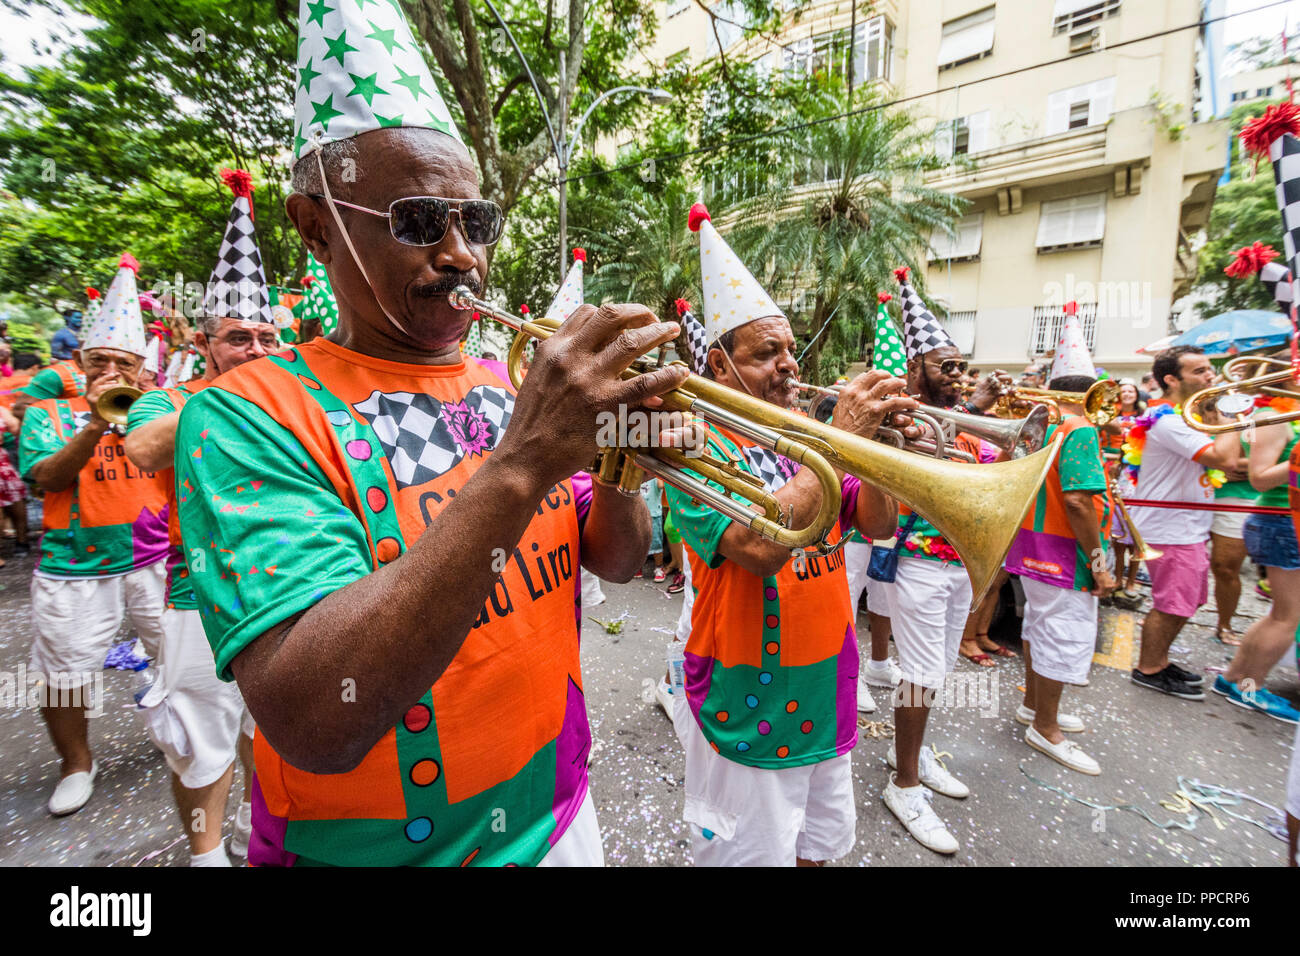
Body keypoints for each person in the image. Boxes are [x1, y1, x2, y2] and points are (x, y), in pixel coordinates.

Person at [175, 0, 691, 866]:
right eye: (419, 221)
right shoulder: (239, 414)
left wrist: (625, 470)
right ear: (315, 227)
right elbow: (315, 720)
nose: (462, 255)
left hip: (564, 816)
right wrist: (524, 460)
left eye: (475, 223)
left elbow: (612, 561)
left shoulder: (505, 384)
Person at [664, 203, 912, 867]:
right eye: (766, 352)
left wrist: (877, 453)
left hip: (826, 691)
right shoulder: (689, 447)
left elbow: (880, 523)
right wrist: (844, 444)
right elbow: (759, 547)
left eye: (790, 351)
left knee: (819, 851)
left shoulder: (810, 440)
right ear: (719, 365)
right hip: (746, 707)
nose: (788, 366)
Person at [122, 169, 276, 865]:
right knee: (197, 738)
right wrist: (229, 398)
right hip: (197, 597)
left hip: (284, 588)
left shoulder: (291, 391)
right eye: (239, 337)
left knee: (269, 731)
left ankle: (262, 833)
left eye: (269, 337)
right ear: (206, 342)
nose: (257, 350)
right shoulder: (171, 399)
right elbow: (140, 446)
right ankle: (207, 854)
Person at [19, 254, 169, 816]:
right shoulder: (49, 415)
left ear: (141, 370)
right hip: (74, 568)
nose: (111, 370)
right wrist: (95, 423)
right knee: (65, 677)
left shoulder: (158, 409)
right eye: (99, 359)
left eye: (123, 362)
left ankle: (174, 729)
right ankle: (76, 763)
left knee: (175, 658)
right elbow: (47, 478)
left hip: (157, 559)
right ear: (80, 361)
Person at [879, 267, 1012, 855]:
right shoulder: (903, 416)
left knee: (936, 673)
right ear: (917, 370)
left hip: (960, 562)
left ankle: (910, 750)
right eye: (946, 367)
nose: (959, 377)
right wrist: (971, 412)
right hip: (919, 562)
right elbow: (921, 484)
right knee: (921, 674)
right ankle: (903, 784)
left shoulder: (964, 423)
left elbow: (989, 477)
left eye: (961, 366)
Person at [1004, 313, 1115, 773]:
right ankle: (1046, 727)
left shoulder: (1044, 426)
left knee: (1038, 627)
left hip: (1033, 546)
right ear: (1090, 392)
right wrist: (1100, 561)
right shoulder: (1083, 429)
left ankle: (1034, 707)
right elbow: (1077, 502)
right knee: (1063, 635)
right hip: (1066, 552)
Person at [1125, 347, 1242, 700]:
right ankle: (1149, 669)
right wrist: (1231, 412)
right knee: (1173, 604)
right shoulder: (1167, 420)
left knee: (1184, 602)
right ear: (1171, 380)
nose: (1211, 376)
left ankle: (1158, 661)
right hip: (1171, 529)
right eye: (1200, 371)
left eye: (1210, 369)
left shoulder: (1184, 417)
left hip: (1184, 527)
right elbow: (1225, 458)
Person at [1210, 405, 1300, 723]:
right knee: (1288, 618)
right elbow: (1260, 479)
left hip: (1285, 522)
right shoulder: (1274, 415)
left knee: (1280, 615)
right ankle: (1251, 688)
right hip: (1283, 522)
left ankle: (1233, 678)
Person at [1105, 380, 1146, 609]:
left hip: (1137, 477)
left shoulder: (1147, 418)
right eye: (1123, 391)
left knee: (1136, 538)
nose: (1127, 394)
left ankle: (1131, 582)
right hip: (1116, 475)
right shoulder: (1108, 416)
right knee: (1118, 537)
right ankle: (1117, 579)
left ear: (1137, 394)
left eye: (1131, 390)